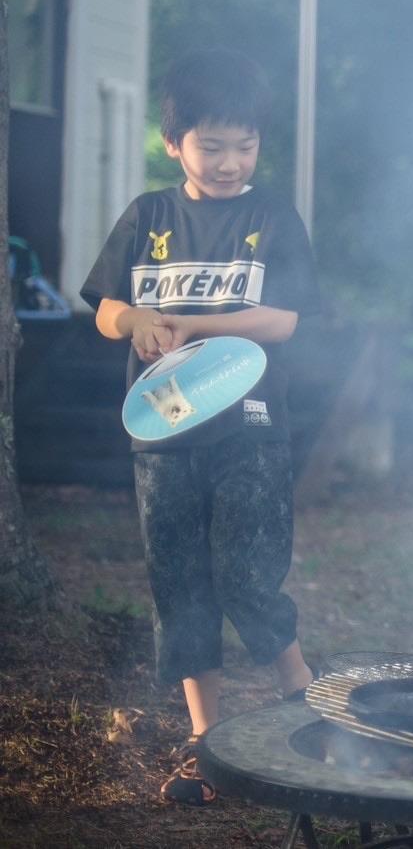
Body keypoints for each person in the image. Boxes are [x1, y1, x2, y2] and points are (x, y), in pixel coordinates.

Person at [80, 48, 321, 806]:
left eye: (243, 145)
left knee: (246, 573)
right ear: (173, 141)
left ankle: (305, 702)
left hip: (248, 427)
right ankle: (205, 744)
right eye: (211, 145)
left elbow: (284, 319)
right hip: (163, 432)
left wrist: (186, 318)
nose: (228, 161)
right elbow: (104, 308)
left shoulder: (270, 214)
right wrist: (139, 316)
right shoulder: (148, 216)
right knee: (180, 585)